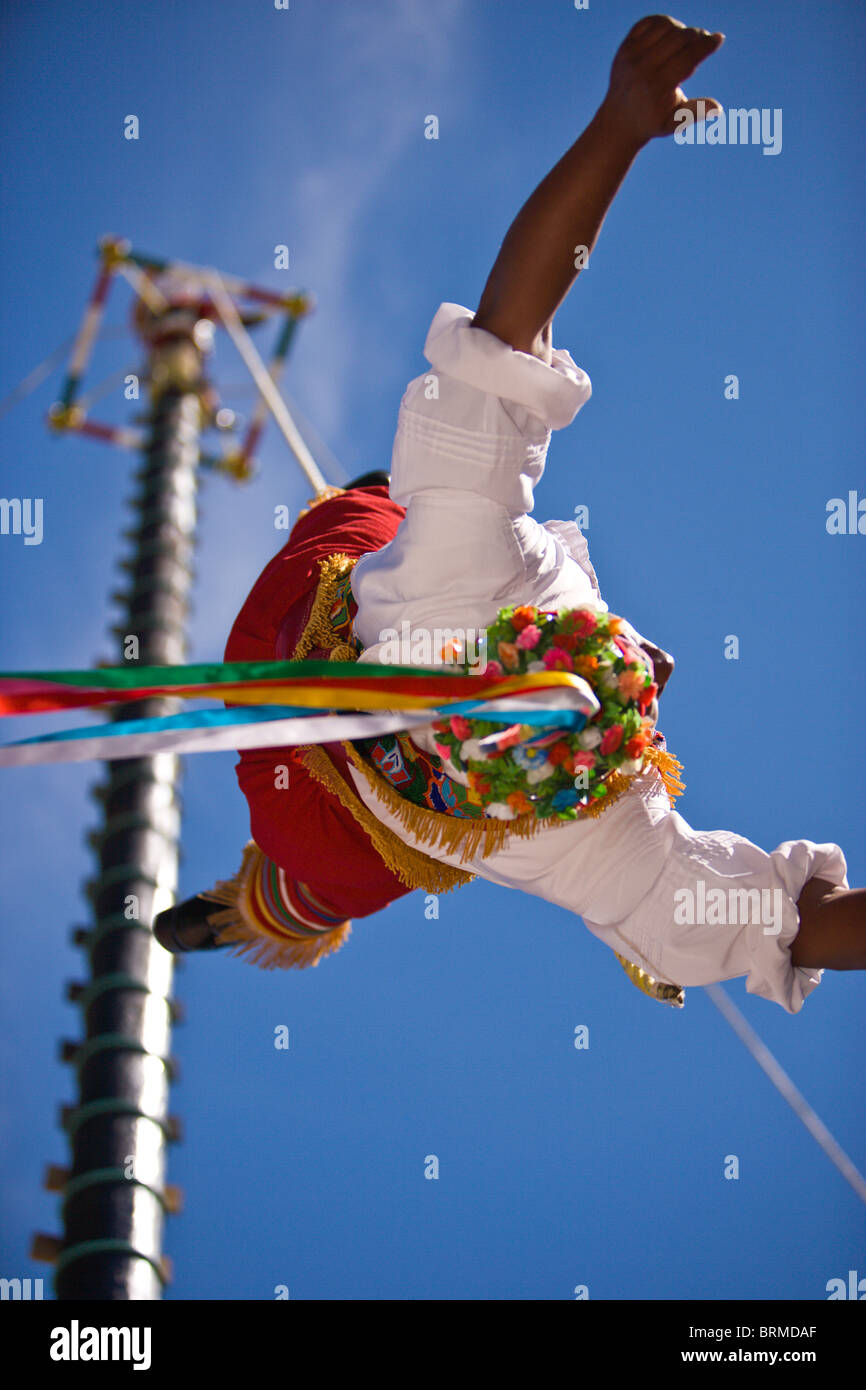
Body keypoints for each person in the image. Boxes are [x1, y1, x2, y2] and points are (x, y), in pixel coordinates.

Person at [154, 15, 863, 1010]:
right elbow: (505, 336)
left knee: (309, 854)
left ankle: (250, 910)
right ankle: (250, 911)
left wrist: (616, 129)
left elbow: (503, 340)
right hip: (413, 758)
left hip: (439, 772)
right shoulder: (453, 575)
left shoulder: (453, 582)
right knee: (308, 855)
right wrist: (617, 128)